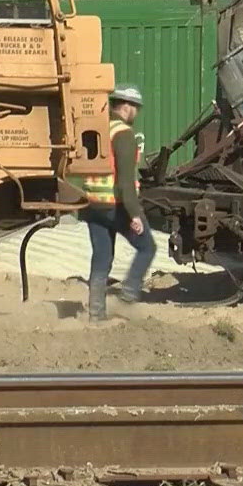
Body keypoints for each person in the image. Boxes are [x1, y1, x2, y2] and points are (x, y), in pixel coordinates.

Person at [72, 84, 155, 321]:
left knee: (101, 257)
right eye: (135, 108)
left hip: (91, 205)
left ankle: (96, 314)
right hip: (115, 205)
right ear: (127, 106)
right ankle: (128, 292)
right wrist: (135, 214)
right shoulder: (123, 134)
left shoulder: (96, 129)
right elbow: (125, 181)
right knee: (147, 246)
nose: (136, 113)